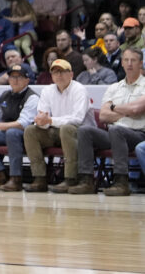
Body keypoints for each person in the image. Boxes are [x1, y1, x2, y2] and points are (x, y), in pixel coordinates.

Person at [68, 47, 145, 196]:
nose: (129, 64)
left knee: (116, 130)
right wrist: (126, 112)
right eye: (126, 60)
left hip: (138, 134)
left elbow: (136, 109)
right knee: (85, 130)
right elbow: (103, 115)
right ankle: (86, 180)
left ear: (140, 63)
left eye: (133, 60)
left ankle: (121, 182)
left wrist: (114, 107)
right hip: (115, 133)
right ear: (122, 63)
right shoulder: (114, 87)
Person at [22, 59, 94, 193]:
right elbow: (44, 116)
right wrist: (41, 122)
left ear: (71, 74)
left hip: (81, 133)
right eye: (55, 72)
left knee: (67, 129)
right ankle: (39, 178)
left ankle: (70, 178)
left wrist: (49, 121)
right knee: (30, 131)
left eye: (62, 72)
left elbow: (77, 119)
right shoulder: (47, 90)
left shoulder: (79, 89)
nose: (58, 75)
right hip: (56, 131)